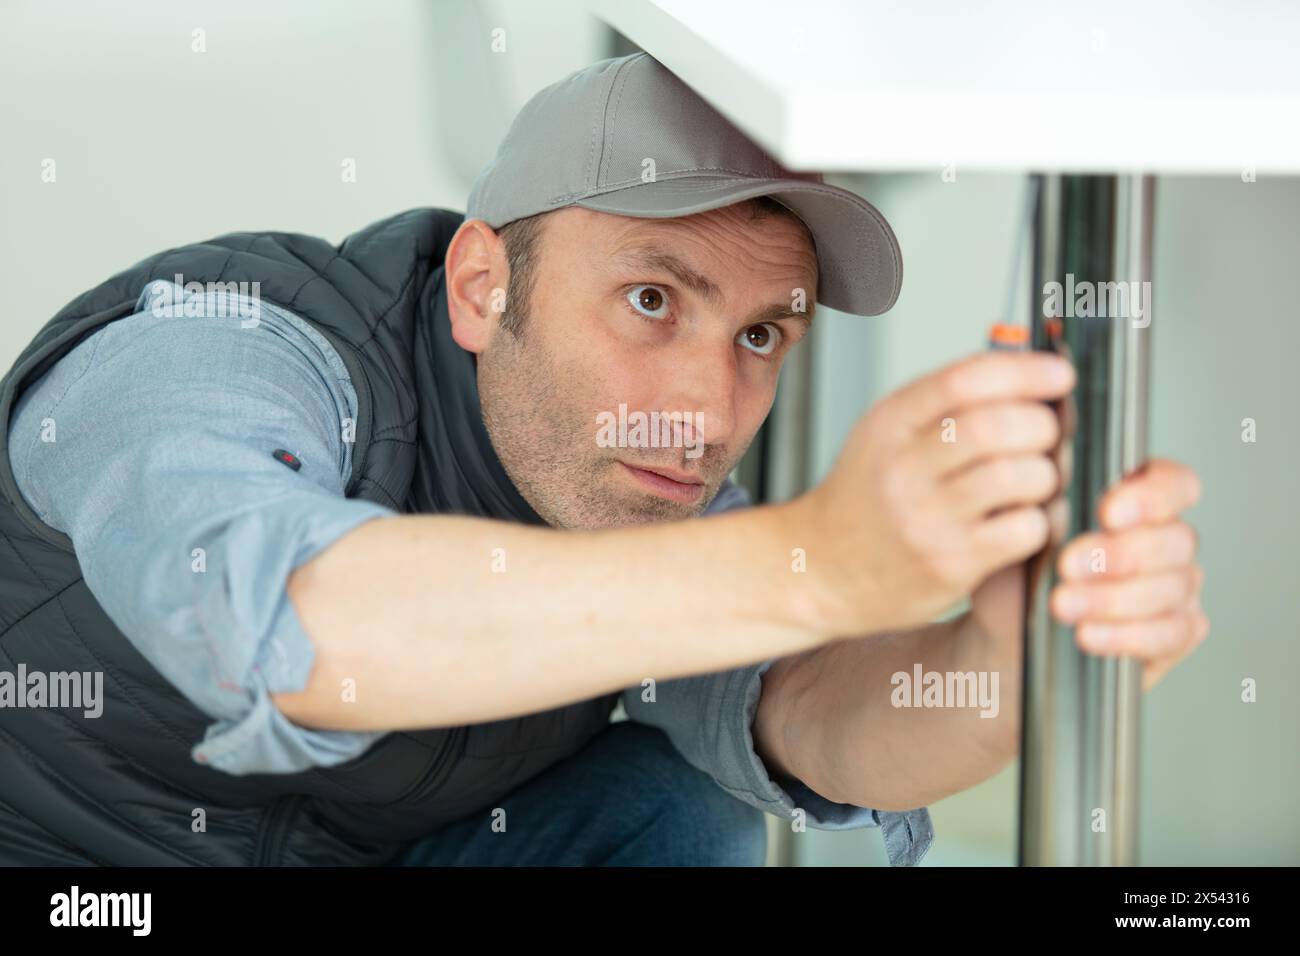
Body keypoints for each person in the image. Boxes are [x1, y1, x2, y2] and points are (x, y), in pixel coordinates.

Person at [0, 53, 1205, 866]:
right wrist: (822, 558)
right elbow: (280, 625)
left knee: (690, 796)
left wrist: (1008, 657)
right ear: (482, 285)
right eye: (647, 298)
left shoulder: (643, 503)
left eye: (759, 335)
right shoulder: (212, 352)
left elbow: (803, 714)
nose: (704, 403)